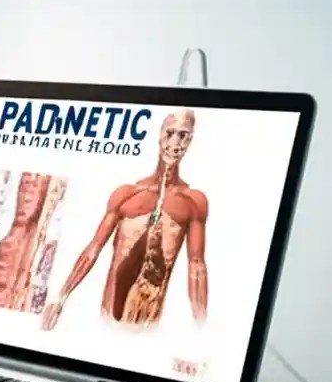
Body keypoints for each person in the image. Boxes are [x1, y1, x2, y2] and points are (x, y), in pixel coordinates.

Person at [41, 110, 209, 330]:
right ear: (159, 135)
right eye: (170, 133)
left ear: (191, 140)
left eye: (183, 135)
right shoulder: (127, 194)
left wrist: (202, 330)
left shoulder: (193, 201)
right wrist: (61, 297)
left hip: (149, 324)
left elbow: (196, 266)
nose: (175, 143)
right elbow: (94, 248)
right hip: (108, 318)